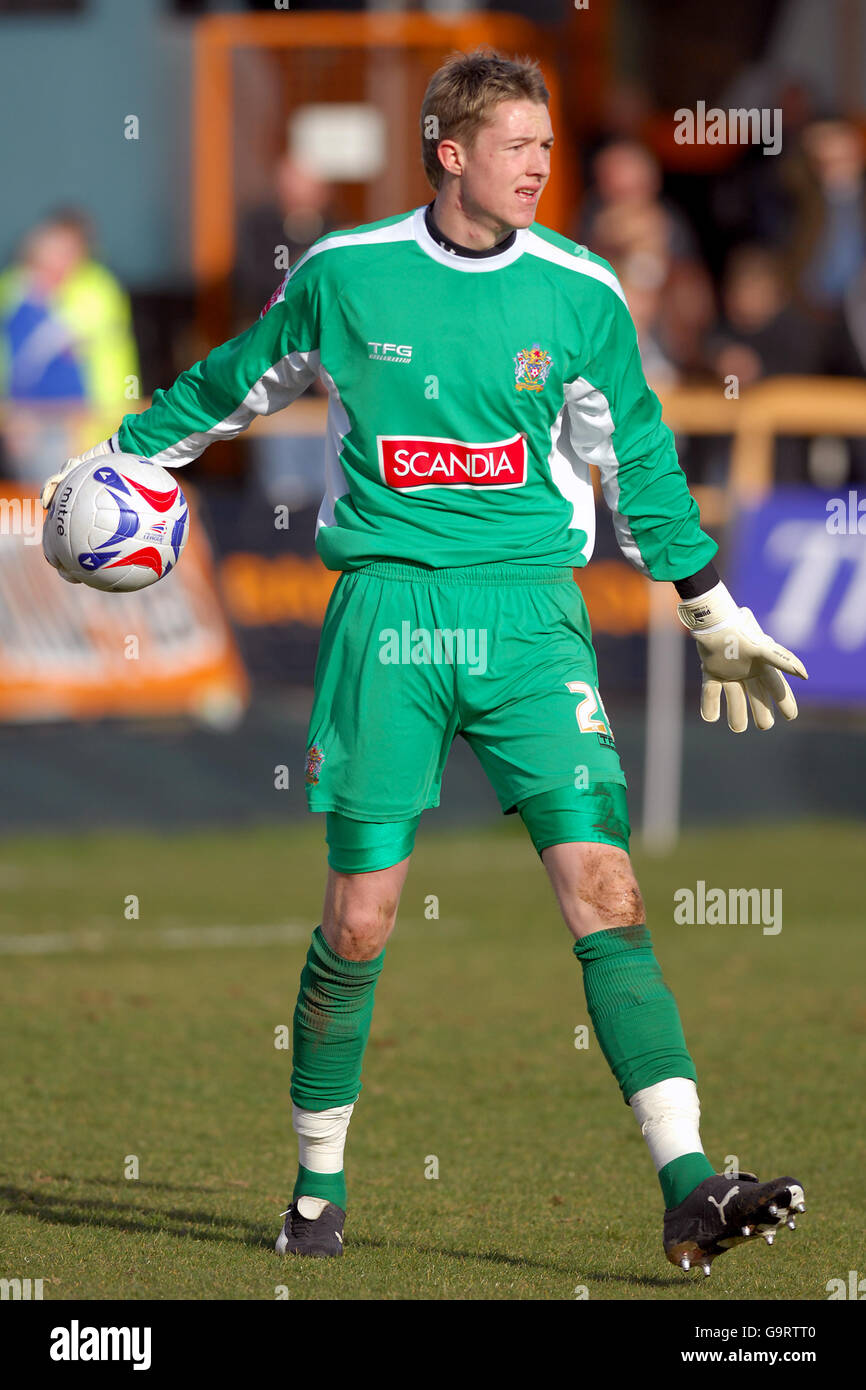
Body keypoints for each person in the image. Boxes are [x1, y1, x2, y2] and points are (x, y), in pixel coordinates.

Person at [41, 52, 808, 1277]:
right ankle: (314, 1189)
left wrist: (707, 603)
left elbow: (639, 464)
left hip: (527, 622)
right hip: (386, 620)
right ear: (449, 152)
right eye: (517, 146)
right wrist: (117, 464)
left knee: (603, 888)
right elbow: (236, 383)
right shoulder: (345, 274)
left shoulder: (580, 292)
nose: (539, 166)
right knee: (360, 919)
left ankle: (686, 1179)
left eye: (548, 148)